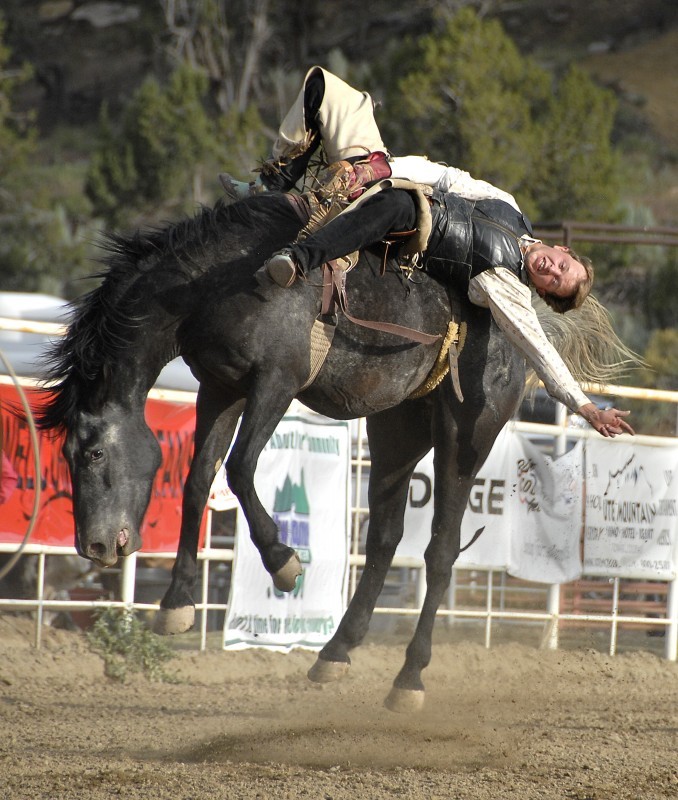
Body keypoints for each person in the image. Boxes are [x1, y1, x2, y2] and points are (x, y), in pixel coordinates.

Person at [225, 67, 633, 439]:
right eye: (562, 265)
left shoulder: (507, 285)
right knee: (327, 88)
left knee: (398, 204)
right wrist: (380, 169)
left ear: (542, 291)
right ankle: (271, 187)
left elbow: (538, 348)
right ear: (562, 249)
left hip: (409, 222)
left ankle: (299, 259)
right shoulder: (509, 206)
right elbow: (448, 177)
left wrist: (585, 408)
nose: (551, 270)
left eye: (554, 282)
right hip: (382, 177)